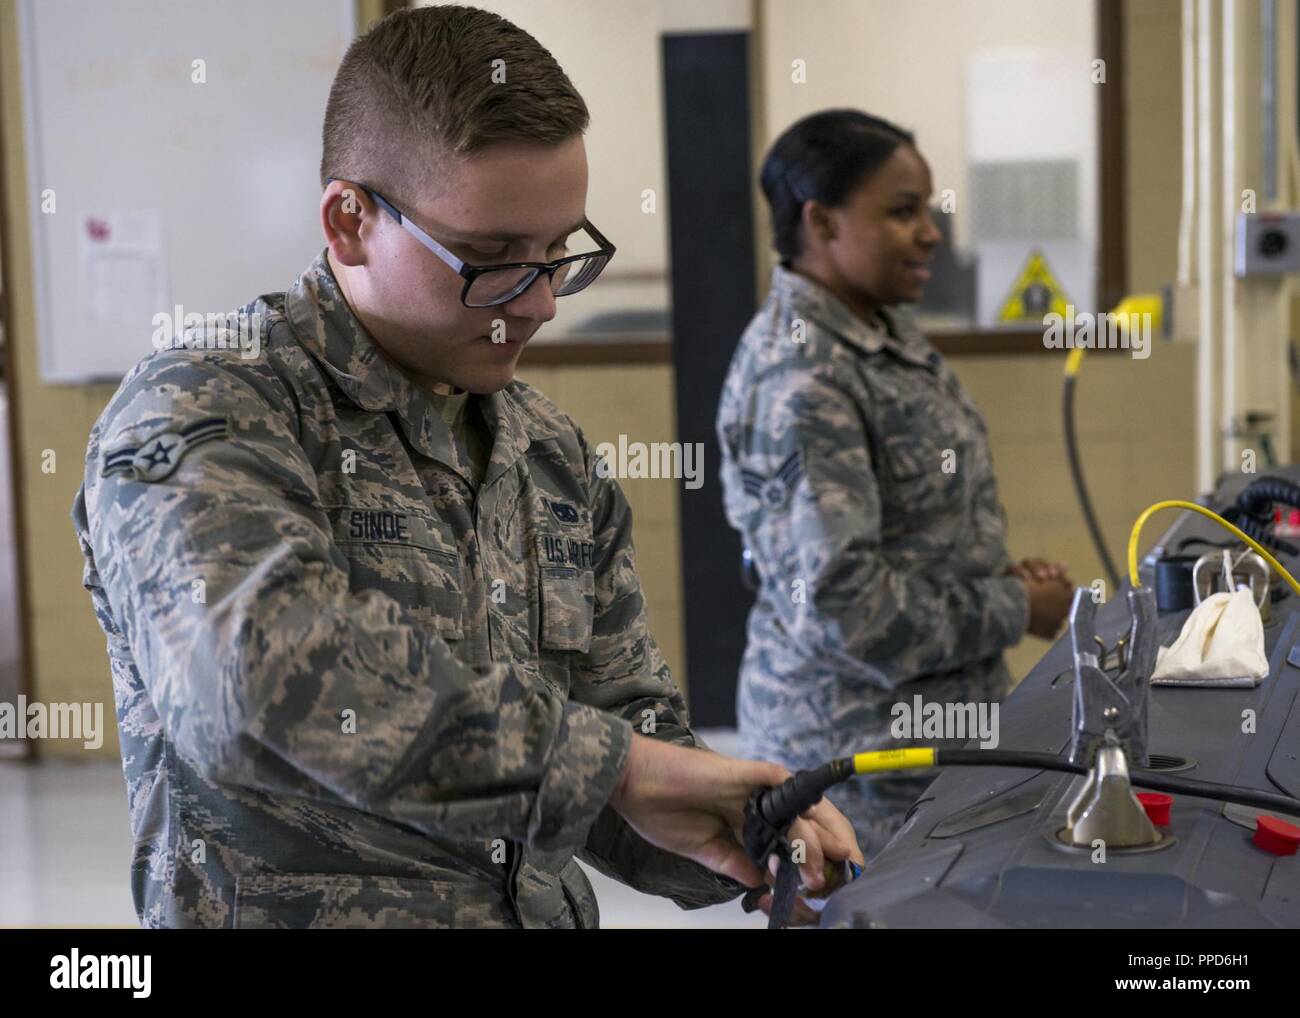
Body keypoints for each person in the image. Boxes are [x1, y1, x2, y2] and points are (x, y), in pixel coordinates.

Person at [70, 5, 859, 929]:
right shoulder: (213, 404)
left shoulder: (549, 454)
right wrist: (615, 766)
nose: (539, 304)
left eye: (558, 254)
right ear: (350, 221)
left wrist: (754, 835)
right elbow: (247, 685)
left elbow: (624, 742)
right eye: (489, 259)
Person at [716, 110, 1074, 859]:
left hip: (935, 751)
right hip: (862, 779)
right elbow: (846, 608)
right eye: (902, 211)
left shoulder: (879, 329)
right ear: (821, 221)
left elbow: (904, 530)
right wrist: (1016, 605)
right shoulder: (802, 377)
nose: (932, 233)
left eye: (930, 210)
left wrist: (983, 574)